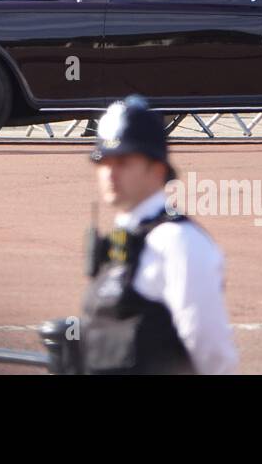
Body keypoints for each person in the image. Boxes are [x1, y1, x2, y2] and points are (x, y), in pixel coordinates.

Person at [78, 96, 238, 374]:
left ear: (157, 169)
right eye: (103, 162)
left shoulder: (178, 241)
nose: (110, 174)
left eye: (123, 161)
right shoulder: (124, 236)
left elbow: (210, 349)